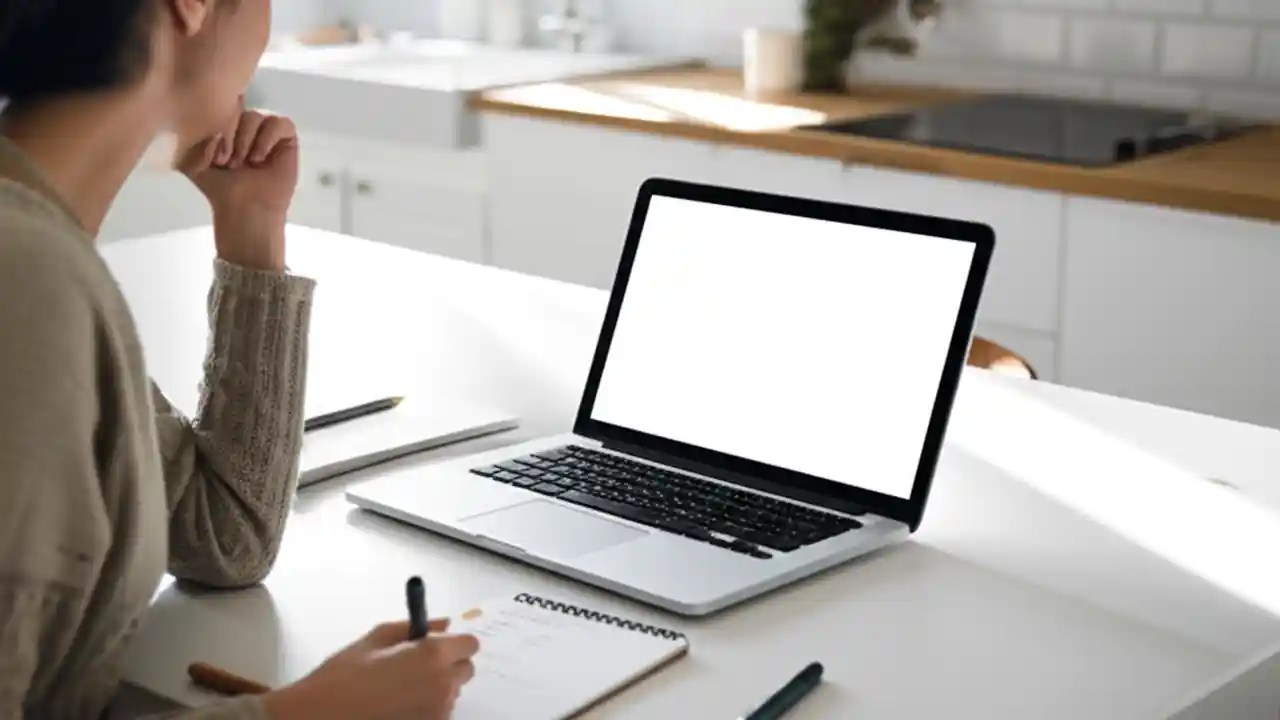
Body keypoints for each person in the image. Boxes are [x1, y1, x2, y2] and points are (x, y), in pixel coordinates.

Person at [0, 1, 479, 718]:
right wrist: (315, 713)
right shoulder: (27, 281)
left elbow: (225, 535)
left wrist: (251, 233)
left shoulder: (46, 262)